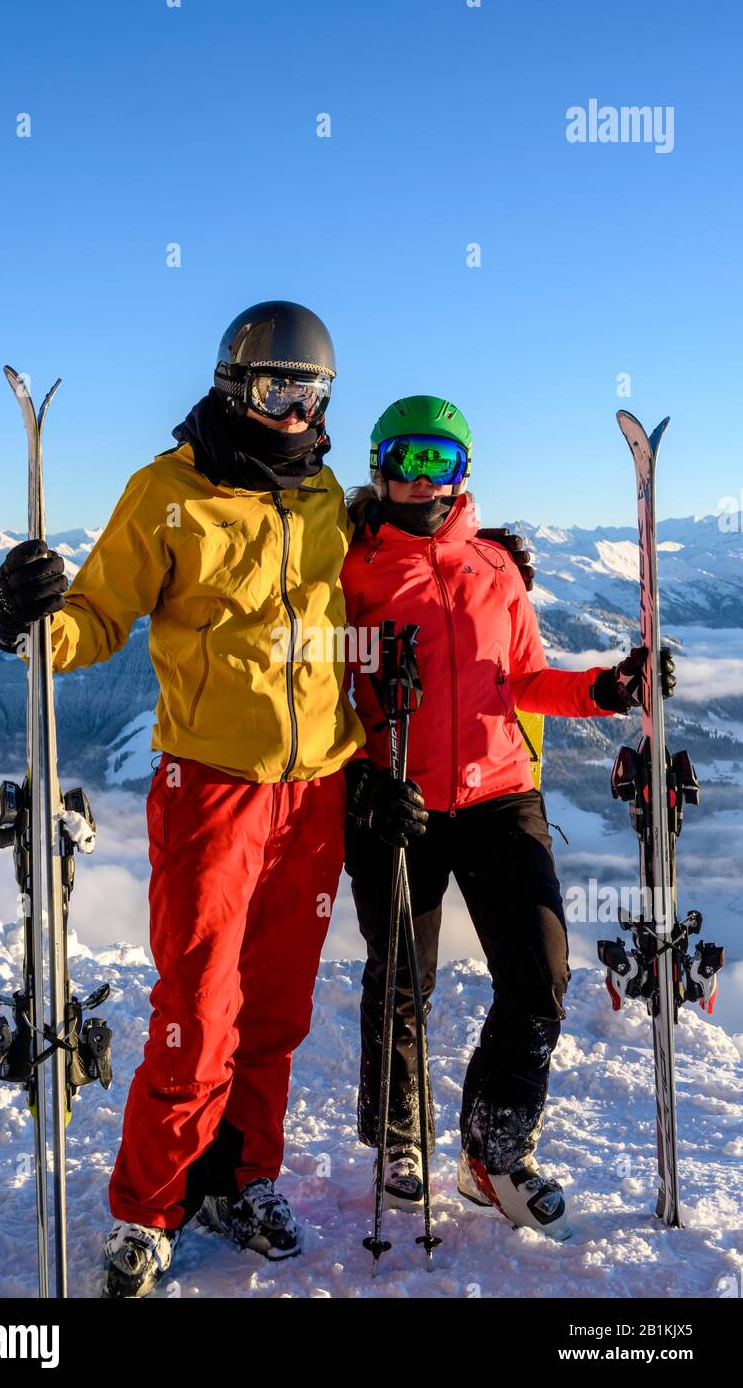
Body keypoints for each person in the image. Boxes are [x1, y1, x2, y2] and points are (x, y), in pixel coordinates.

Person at [0, 301, 366, 1296]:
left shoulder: (325, 496)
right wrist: (32, 624)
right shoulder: (167, 492)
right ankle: (150, 1208)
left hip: (316, 790)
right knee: (197, 1011)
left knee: (276, 1010)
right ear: (238, 385)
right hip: (212, 792)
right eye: (280, 388)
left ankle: (243, 1178)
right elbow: (100, 612)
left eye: (313, 392)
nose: (295, 410)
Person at [340, 395, 675, 1240]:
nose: (421, 479)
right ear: (377, 465)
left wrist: (603, 688)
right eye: (406, 459)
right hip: (395, 805)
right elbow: (318, 686)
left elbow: (522, 678)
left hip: (498, 796)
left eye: (439, 462)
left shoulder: (496, 568)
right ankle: (398, 1142)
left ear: (463, 474)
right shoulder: (347, 571)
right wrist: (363, 775)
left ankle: (493, 1152)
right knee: (401, 980)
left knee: (539, 978)